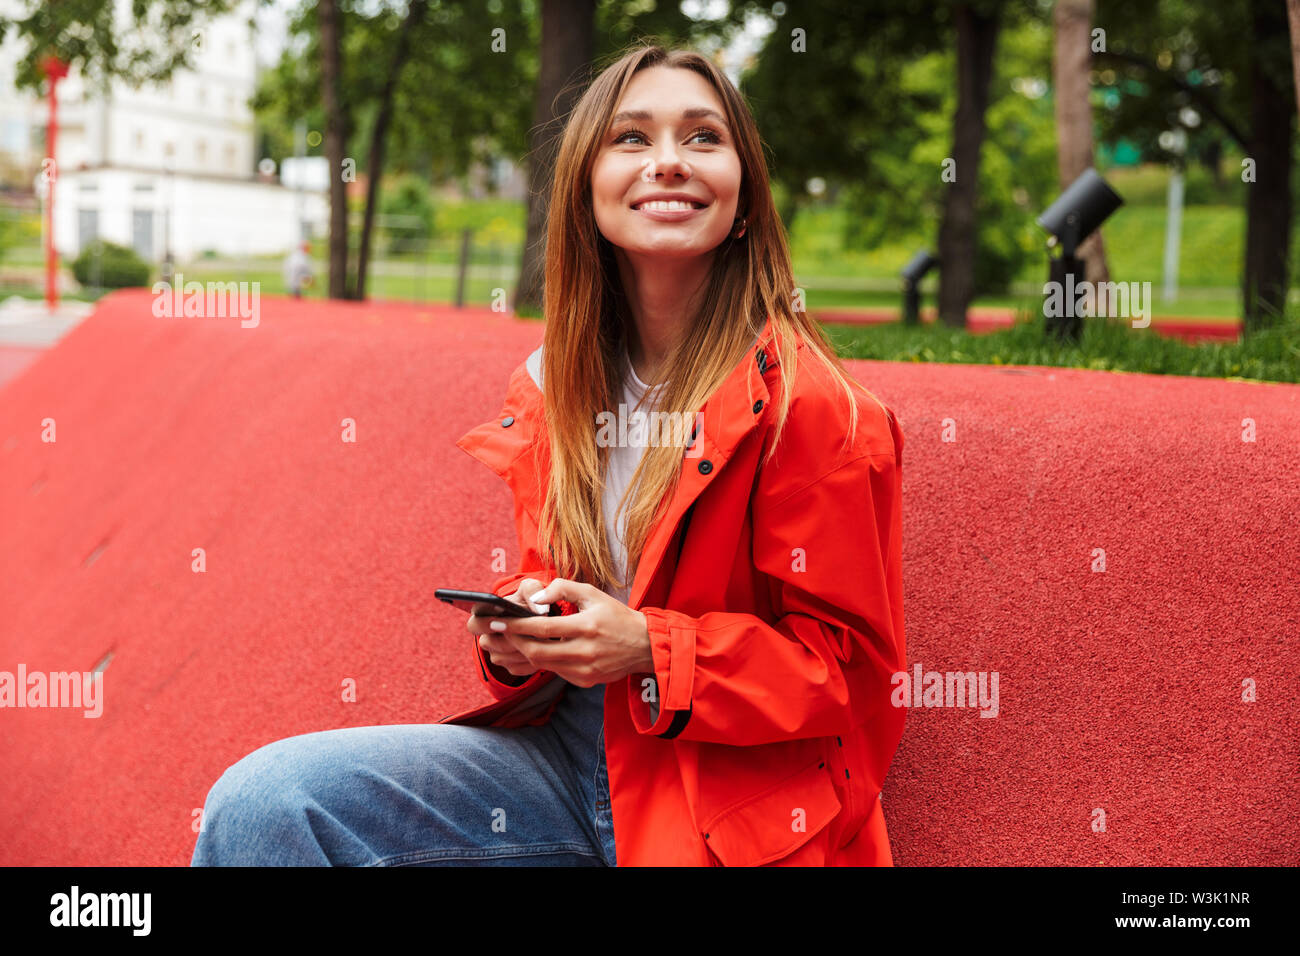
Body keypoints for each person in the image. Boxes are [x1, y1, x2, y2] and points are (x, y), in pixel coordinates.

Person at [190, 43, 906, 867]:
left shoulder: (813, 410)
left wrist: (647, 648)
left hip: (727, 807)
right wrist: (522, 632)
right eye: (632, 138)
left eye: (704, 137)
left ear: (744, 201)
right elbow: (562, 585)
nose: (668, 162)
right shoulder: (552, 387)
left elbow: (847, 677)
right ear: (586, 189)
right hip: (562, 765)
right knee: (267, 806)